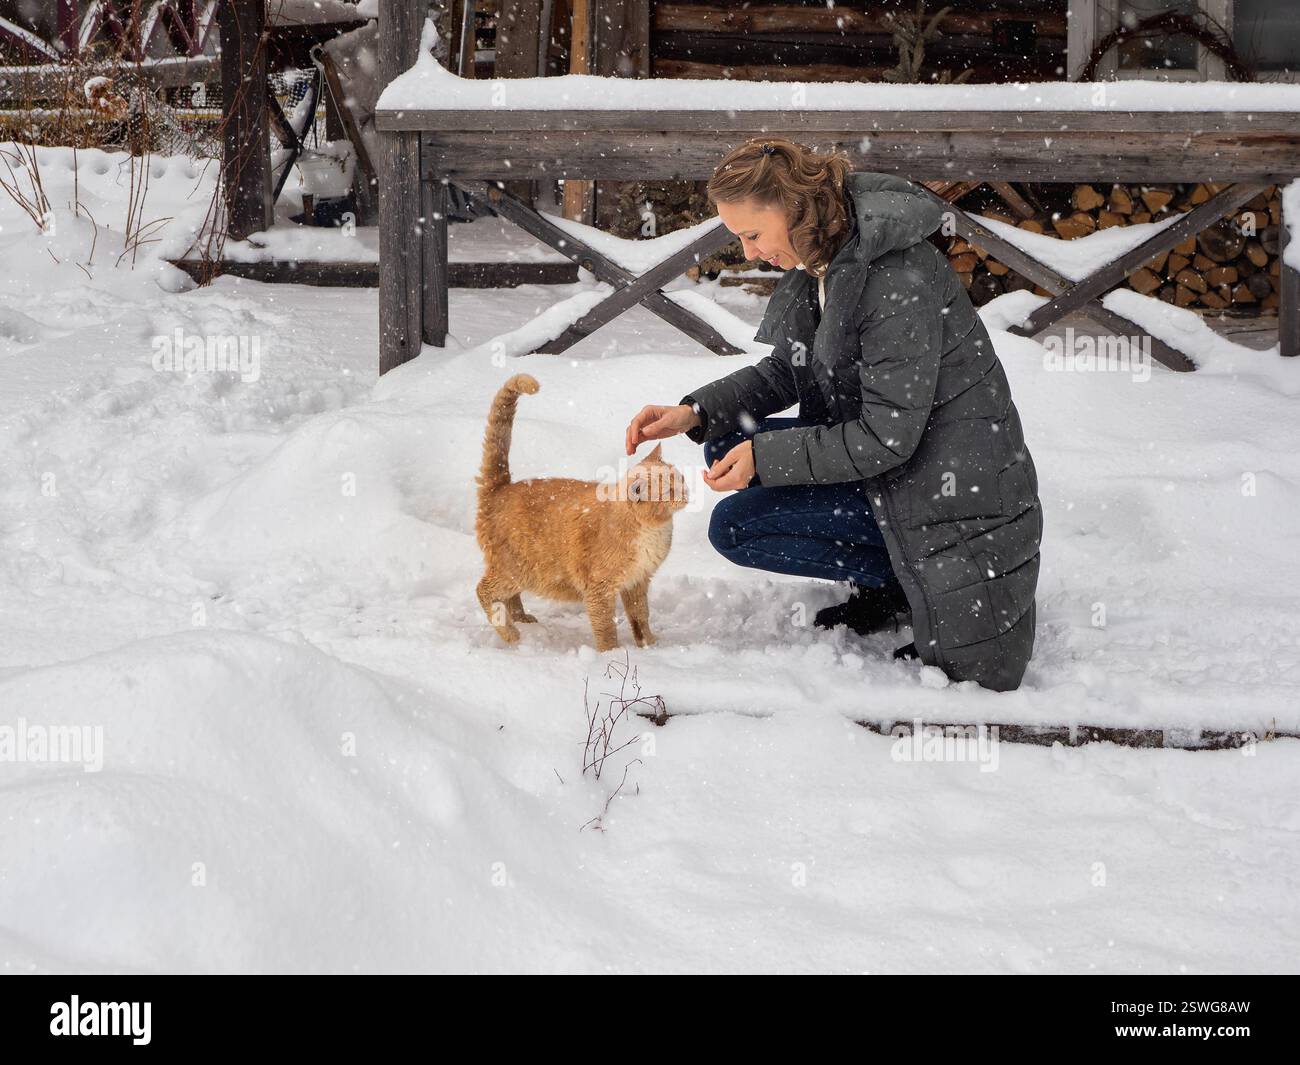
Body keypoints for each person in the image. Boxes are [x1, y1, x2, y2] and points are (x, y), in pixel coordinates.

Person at [624, 137, 1043, 692]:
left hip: (949, 500)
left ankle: (902, 578)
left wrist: (767, 457)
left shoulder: (891, 278)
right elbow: (791, 370)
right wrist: (692, 411)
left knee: (735, 525)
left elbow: (886, 438)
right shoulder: (828, 253)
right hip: (906, 471)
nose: (748, 253)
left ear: (794, 208)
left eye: (752, 235)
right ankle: (888, 576)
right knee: (723, 445)